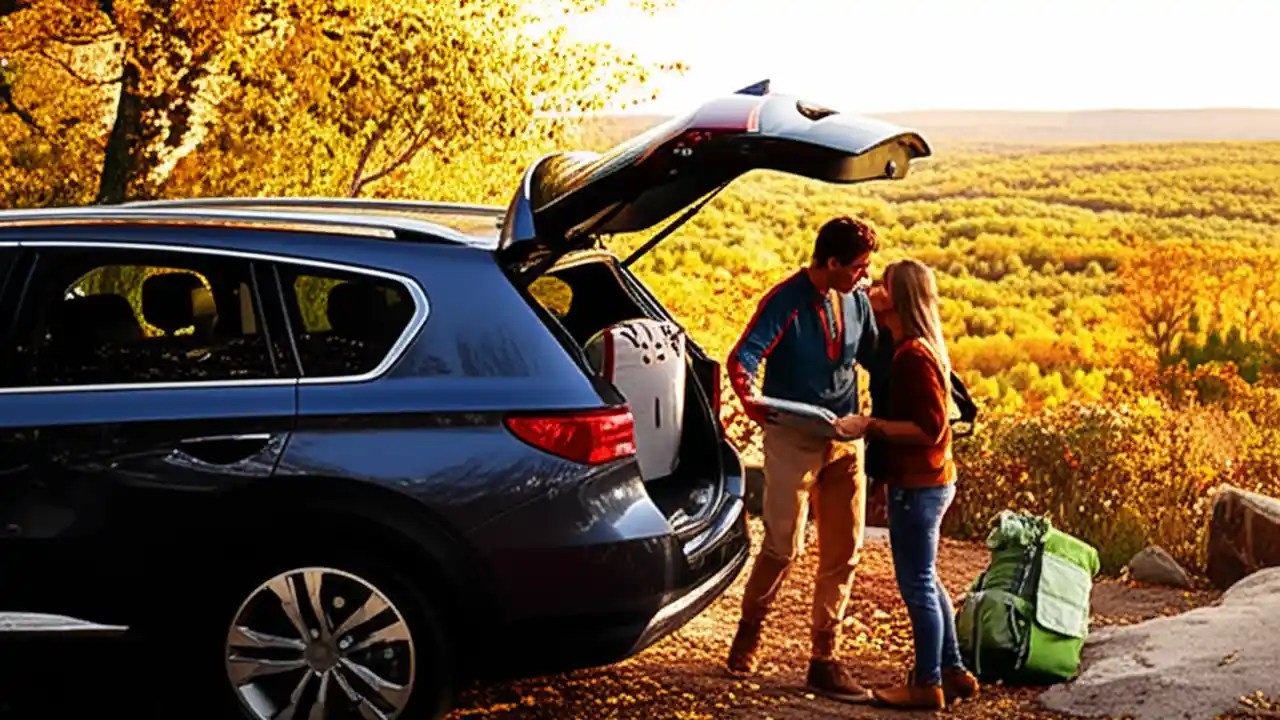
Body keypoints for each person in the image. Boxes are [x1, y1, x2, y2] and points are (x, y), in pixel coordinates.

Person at [724, 216, 882, 703]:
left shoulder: (857, 299)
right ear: (831, 263)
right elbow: (742, 358)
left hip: (845, 439)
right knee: (783, 546)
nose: (866, 275)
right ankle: (751, 628)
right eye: (858, 267)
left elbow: (877, 354)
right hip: (792, 437)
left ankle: (823, 658)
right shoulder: (785, 300)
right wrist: (751, 397)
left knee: (844, 552)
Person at [834, 258, 980, 710]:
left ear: (901, 299)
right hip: (930, 482)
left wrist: (870, 426)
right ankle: (954, 673)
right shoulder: (913, 346)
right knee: (927, 578)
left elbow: (929, 429)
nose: (874, 288)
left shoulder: (913, 355)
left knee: (916, 584)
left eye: (884, 285)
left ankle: (927, 684)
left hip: (919, 485)